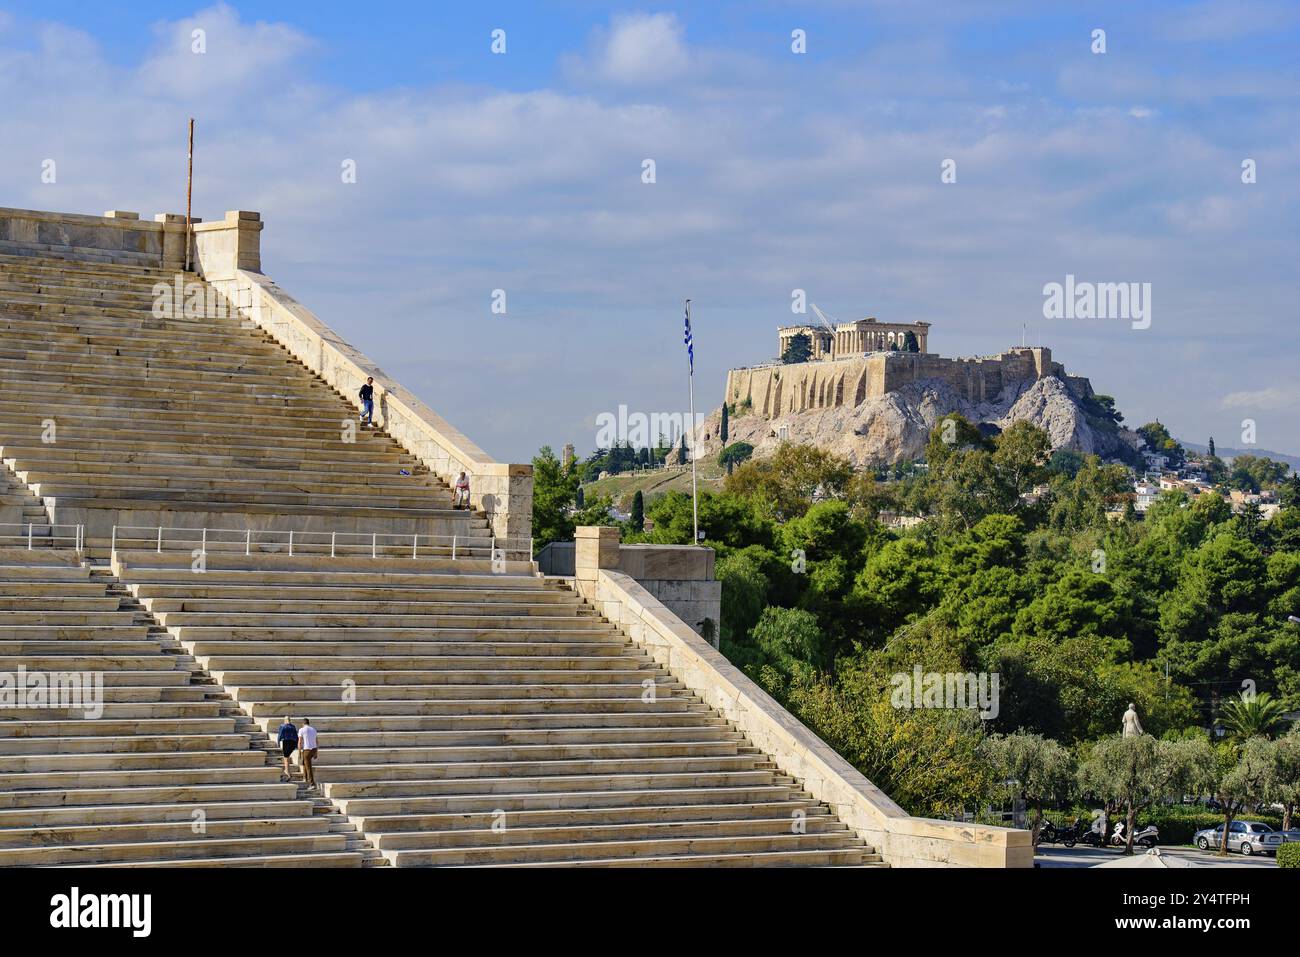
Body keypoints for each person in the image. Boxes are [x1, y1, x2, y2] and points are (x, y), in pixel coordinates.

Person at [276, 716, 298, 782]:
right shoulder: (293, 726)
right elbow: (296, 736)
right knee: (287, 757)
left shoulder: (283, 726)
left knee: (286, 757)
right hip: (293, 743)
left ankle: (287, 772)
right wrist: (296, 745)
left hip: (286, 742)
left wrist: (278, 742)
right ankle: (287, 771)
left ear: (285, 720)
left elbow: (280, 735)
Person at [299, 718, 319, 790]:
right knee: (304, 762)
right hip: (313, 749)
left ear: (303, 723)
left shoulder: (301, 730)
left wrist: (299, 751)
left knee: (308, 767)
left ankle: (312, 784)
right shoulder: (313, 729)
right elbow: (317, 741)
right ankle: (305, 777)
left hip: (307, 750)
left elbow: (300, 742)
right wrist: (316, 752)